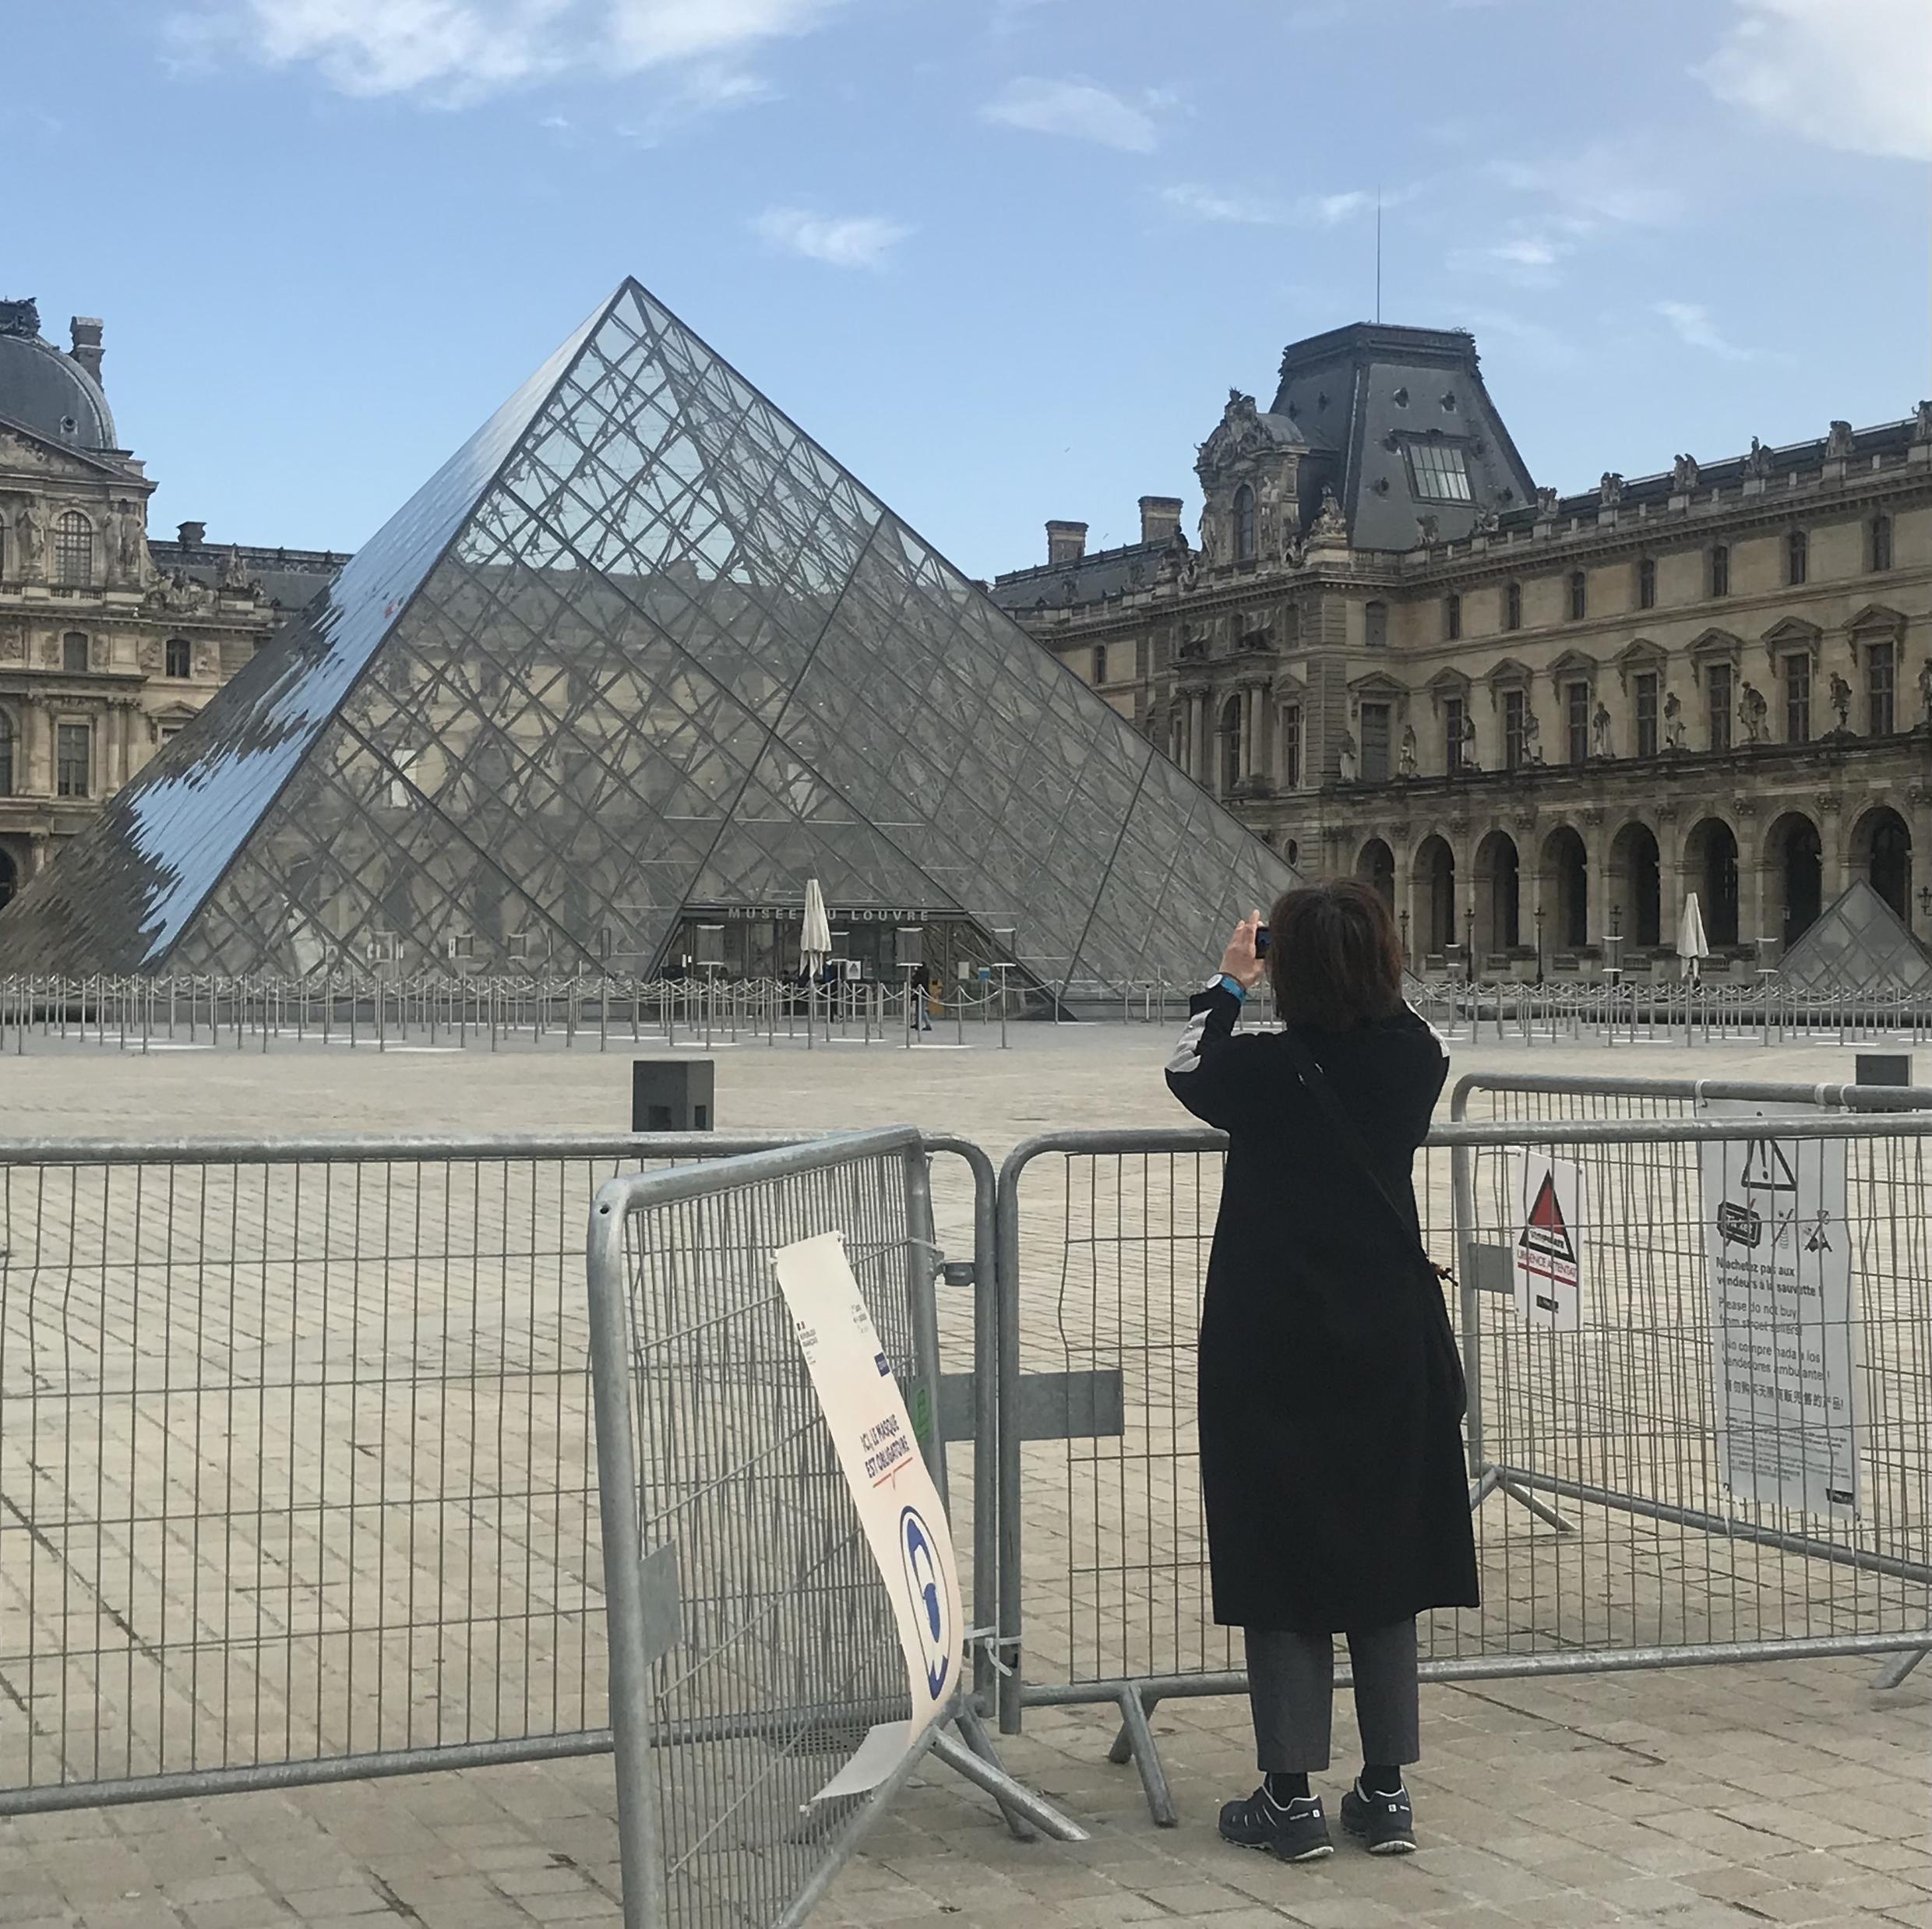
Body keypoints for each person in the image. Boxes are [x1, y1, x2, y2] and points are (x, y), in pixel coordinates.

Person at [1165, 880, 1477, 1864]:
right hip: (1386, 1335)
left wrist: (1230, 976)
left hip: (1273, 1338)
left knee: (1279, 1550)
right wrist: (1359, 965)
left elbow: (1184, 1064)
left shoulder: (1258, 1072)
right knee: (1387, 1559)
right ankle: (1384, 1793)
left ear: (1286, 968)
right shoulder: (1411, 1060)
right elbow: (1406, 1015)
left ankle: (1288, 1797)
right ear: (1385, 965)